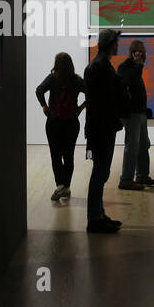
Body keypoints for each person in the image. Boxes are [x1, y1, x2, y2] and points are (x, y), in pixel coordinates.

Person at [83, 29, 129, 233]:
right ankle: (94, 218)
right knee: (100, 172)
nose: (118, 44)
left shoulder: (98, 65)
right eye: (116, 41)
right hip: (101, 128)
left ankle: (98, 214)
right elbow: (107, 99)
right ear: (110, 43)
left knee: (100, 171)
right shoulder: (100, 67)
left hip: (99, 127)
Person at [36, 52, 87, 202]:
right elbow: (91, 94)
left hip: (54, 122)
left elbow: (39, 90)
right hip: (71, 122)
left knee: (56, 155)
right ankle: (67, 187)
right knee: (68, 155)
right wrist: (81, 107)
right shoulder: (77, 80)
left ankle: (60, 186)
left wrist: (44, 106)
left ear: (56, 64)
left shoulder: (53, 78)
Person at [117, 39, 154, 190]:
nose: (140, 56)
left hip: (140, 113)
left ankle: (142, 175)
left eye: (142, 53)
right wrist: (138, 65)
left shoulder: (135, 67)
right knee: (132, 146)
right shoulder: (125, 67)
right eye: (138, 52)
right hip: (131, 114)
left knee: (143, 145)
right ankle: (126, 179)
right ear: (133, 53)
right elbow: (128, 81)